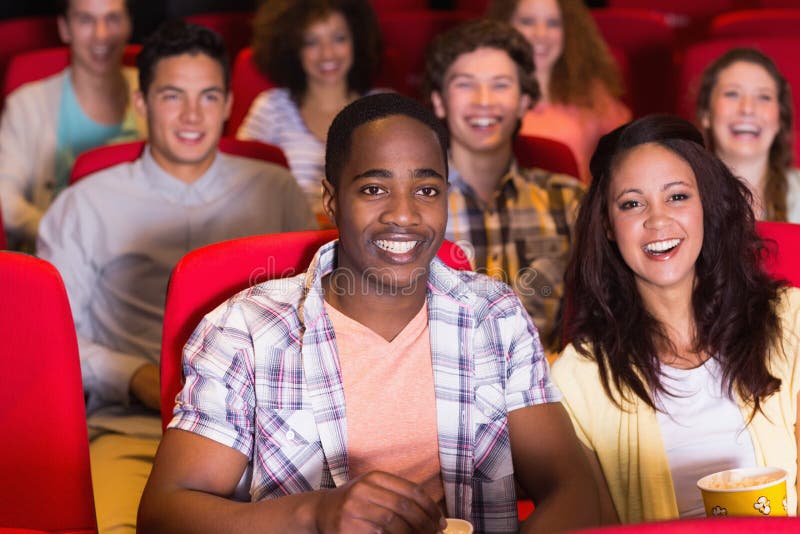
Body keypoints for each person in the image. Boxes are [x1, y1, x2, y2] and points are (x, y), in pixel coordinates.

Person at [137, 92, 604, 533]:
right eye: (375, 189)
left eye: (426, 190)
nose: (403, 214)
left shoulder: (494, 316)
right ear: (331, 200)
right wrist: (314, 514)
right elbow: (165, 513)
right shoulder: (246, 330)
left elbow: (573, 488)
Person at [37, 20, 315, 533]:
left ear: (228, 105)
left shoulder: (276, 191)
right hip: (136, 429)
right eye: (172, 96)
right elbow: (52, 340)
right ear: (141, 104)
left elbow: (313, 309)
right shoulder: (83, 205)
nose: (192, 115)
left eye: (208, 96)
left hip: (268, 431)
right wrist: (134, 377)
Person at [551, 115, 800, 523]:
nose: (657, 220)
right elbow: (598, 526)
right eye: (632, 204)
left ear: (706, 205)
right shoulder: (579, 377)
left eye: (677, 197)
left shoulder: (792, 321)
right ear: (608, 225)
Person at [424, 18, 584, 353]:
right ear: (439, 101)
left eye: (500, 85)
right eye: (465, 84)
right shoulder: (410, 208)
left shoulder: (568, 201)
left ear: (525, 100)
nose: (484, 100)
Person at [0, 0, 145, 251]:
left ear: (129, 25)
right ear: (64, 28)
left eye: (112, 19)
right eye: (86, 20)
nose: (101, 34)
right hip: (57, 253)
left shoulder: (160, 94)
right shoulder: (27, 104)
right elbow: (4, 196)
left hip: (142, 254)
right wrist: (59, 234)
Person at [236, 0, 382, 221]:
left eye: (339, 38)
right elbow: (237, 188)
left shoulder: (383, 108)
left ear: (357, 40)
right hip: (289, 235)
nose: (327, 53)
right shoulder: (272, 108)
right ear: (293, 48)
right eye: (311, 42)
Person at [487, 0, 631, 181]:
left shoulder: (591, 94)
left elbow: (625, 159)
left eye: (553, 23)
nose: (541, 34)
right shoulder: (482, 94)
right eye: (527, 21)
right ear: (505, 26)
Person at [696, 47, 798, 222]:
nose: (747, 108)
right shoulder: (680, 195)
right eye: (732, 94)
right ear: (706, 114)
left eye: (764, 97)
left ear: (780, 119)